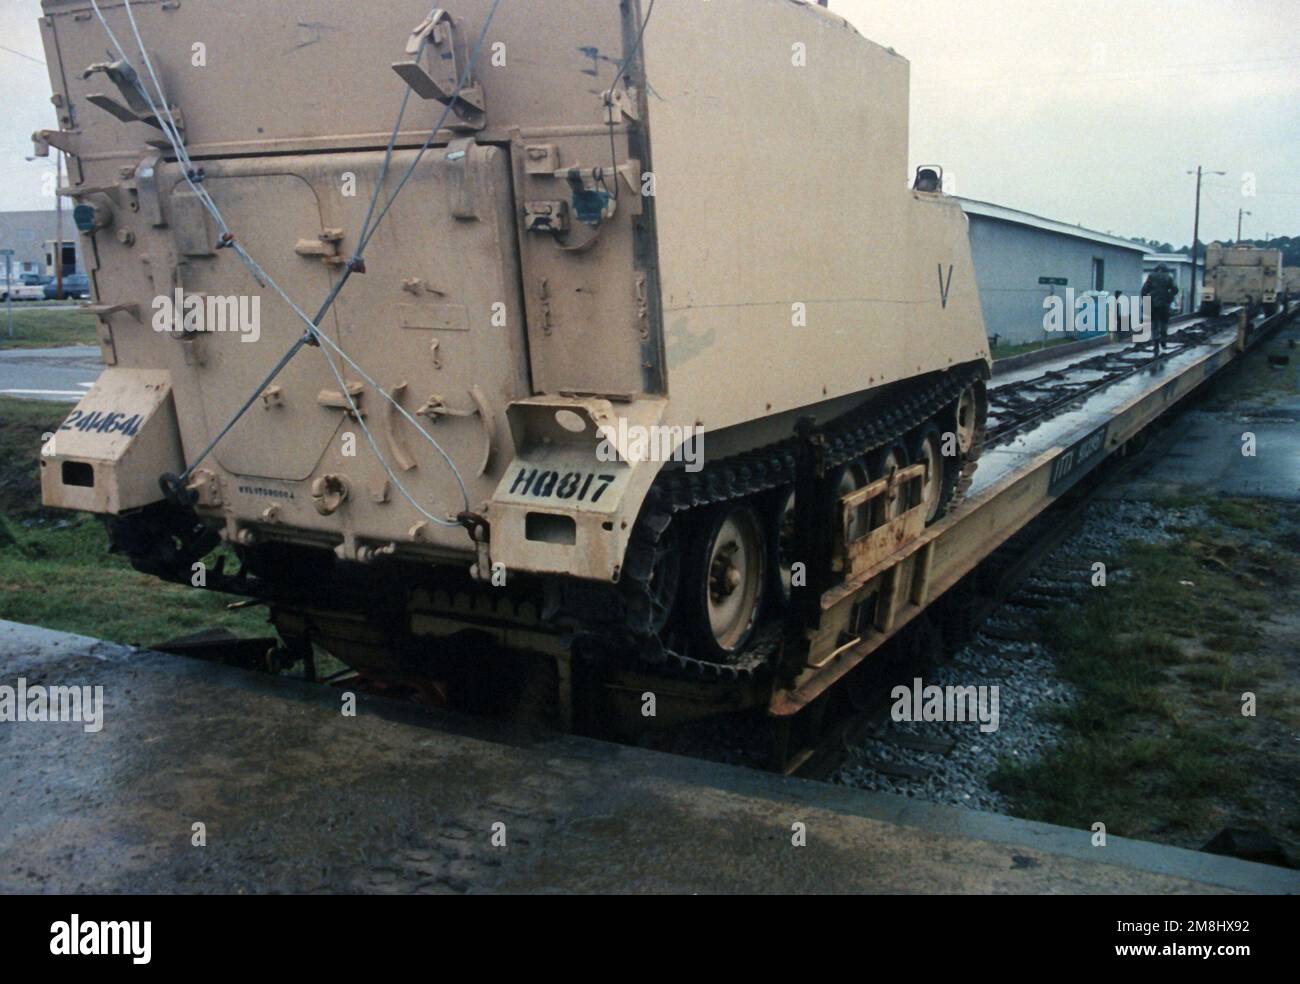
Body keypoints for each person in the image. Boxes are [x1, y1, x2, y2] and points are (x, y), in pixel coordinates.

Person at [1141, 264, 1179, 358]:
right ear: (1165, 270)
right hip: (1164, 304)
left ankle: (1155, 343)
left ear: (1156, 269)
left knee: (1154, 324)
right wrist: (1169, 297)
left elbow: (1144, 290)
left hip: (1153, 304)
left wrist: (1146, 299)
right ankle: (1163, 339)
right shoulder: (1168, 277)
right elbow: (1175, 289)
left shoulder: (1151, 276)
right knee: (1164, 323)